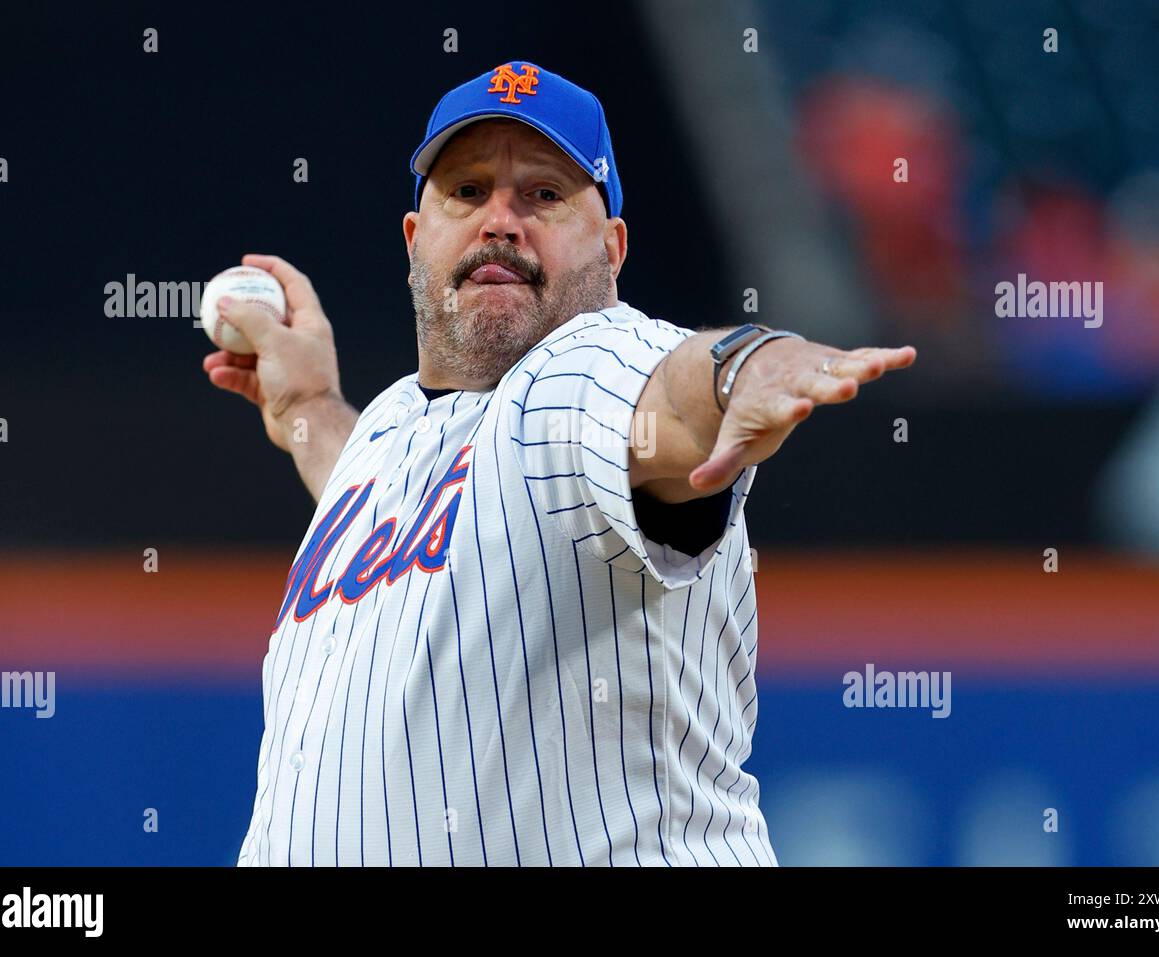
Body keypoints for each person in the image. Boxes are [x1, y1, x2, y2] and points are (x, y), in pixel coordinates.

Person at [203, 61, 915, 866]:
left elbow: (669, 399)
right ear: (415, 238)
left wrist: (743, 366)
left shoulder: (586, 364)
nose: (499, 220)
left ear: (611, 248)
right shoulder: (394, 426)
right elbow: (398, 503)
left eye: (542, 194)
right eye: (466, 191)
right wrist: (307, 409)